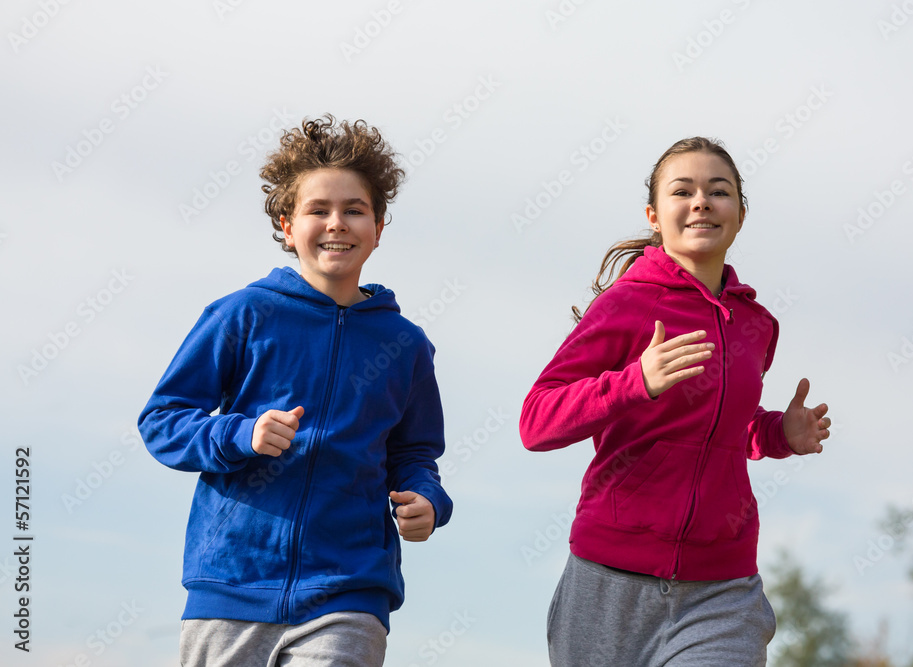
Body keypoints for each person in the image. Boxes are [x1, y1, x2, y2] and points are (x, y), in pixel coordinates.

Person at [138, 115, 452, 667]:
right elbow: (163, 420)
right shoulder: (242, 314)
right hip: (231, 587)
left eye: (355, 210)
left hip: (348, 590)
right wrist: (241, 434)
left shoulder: (404, 345)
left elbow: (414, 452)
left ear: (379, 227)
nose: (338, 223)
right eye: (318, 210)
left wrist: (428, 499)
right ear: (287, 225)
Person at [519, 137, 831, 666]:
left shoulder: (756, 325)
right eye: (682, 191)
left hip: (722, 587)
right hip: (609, 580)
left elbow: (725, 428)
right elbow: (537, 420)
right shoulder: (627, 305)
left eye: (719, 191)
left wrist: (779, 433)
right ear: (655, 216)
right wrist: (635, 380)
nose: (702, 202)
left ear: (740, 214)